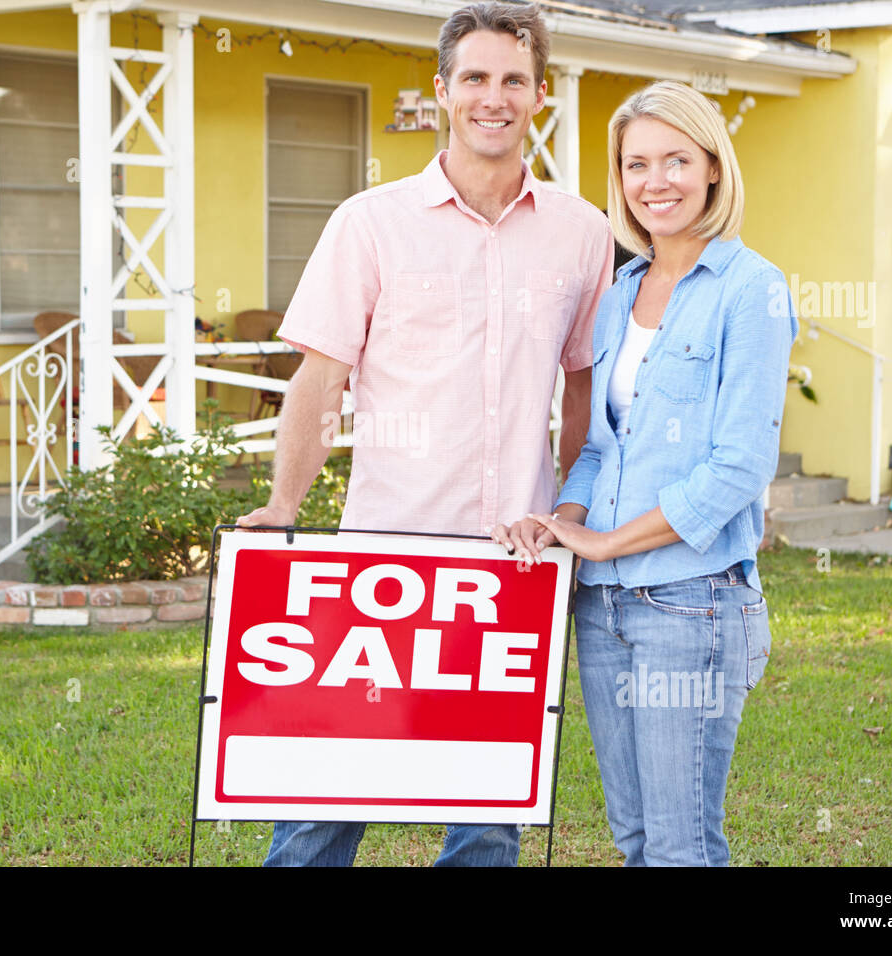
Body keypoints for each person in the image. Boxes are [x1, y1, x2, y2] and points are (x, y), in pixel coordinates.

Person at [236, 1, 614, 866]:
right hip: (383, 563)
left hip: (512, 570)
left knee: (485, 818)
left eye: (513, 80)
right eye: (474, 78)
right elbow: (320, 377)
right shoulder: (371, 222)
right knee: (324, 804)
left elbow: (582, 383)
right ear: (442, 91)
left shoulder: (584, 233)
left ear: (540, 94)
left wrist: (564, 508)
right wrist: (281, 504)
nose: (494, 97)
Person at [493, 80, 798, 866]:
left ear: (713, 171)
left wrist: (608, 543)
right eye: (636, 164)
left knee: (678, 848)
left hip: (690, 602)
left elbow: (740, 464)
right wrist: (562, 519)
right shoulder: (621, 292)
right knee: (635, 841)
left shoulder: (750, 289)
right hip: (604, 611)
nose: (655, 181)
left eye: (676, 160)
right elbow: (600, 447)